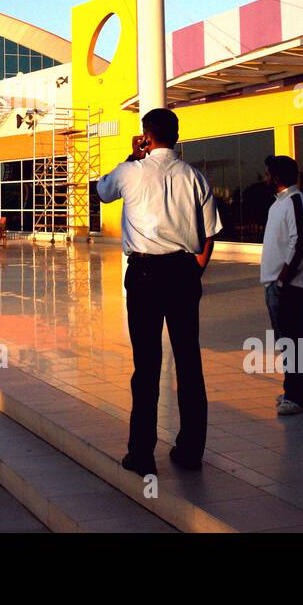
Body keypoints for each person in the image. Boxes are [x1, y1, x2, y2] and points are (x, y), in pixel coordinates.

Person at [97, 108, 221, 476]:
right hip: (183, 272)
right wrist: (194, 270)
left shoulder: (130, 172)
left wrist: (131, 156)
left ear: (145, 137)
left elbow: (102, 192)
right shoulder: (195, 177)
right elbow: (209, 234)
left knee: (147, 365)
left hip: (145, 274)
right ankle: (191, 450)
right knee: (189, 361)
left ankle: (141, 454)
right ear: (177, 137)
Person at [260, 156, 303, 416]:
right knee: (291, 339)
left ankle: (295, 396)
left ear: (277, 177)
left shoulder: (296, 203)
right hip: (280, 284)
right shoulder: (280, 204)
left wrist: (283, 280)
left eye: (268, 174)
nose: (265, 178)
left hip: (292, 286)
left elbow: (301, 244)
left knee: (290, 340)